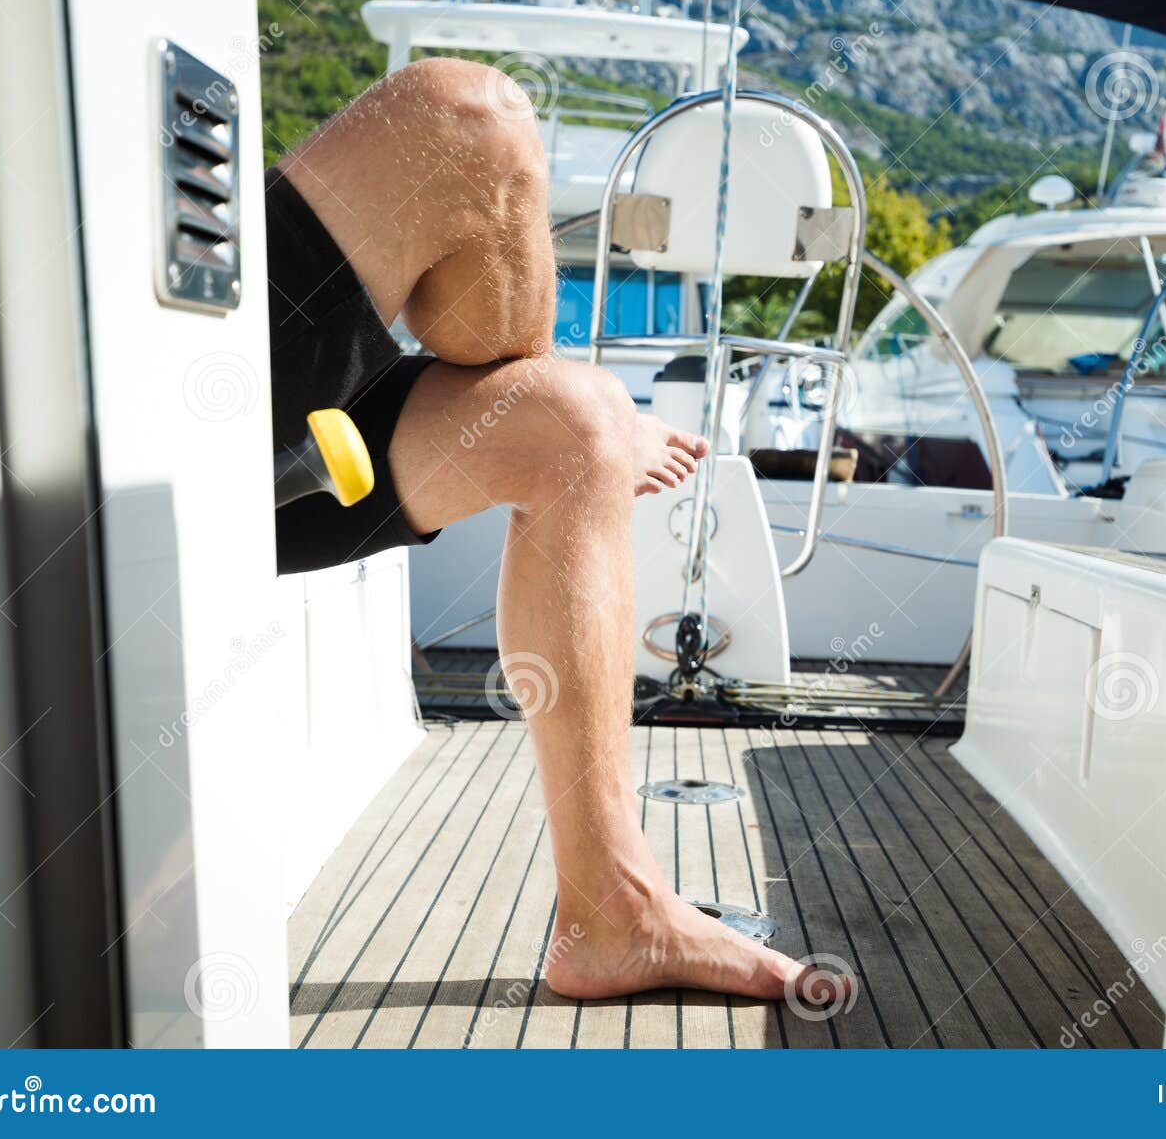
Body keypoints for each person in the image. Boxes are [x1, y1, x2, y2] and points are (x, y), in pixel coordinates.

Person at [269, 58, 843, 1004]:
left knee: (573, 427)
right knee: (467, 118)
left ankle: (611, 907)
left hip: (236, 415)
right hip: (120, 392)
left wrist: (597, 429)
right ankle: (605, 429)